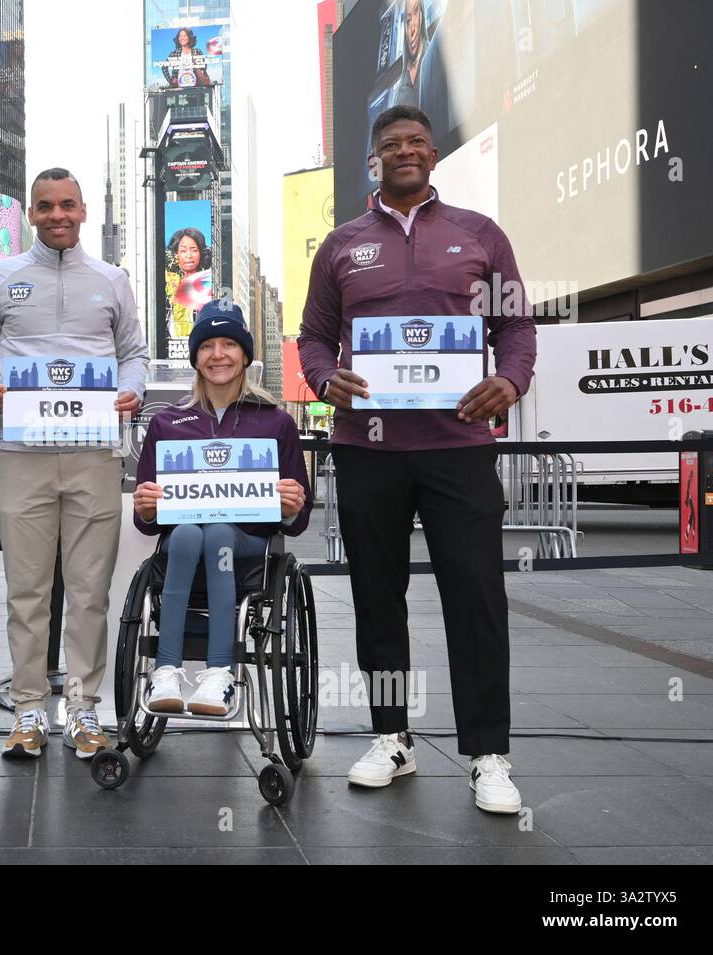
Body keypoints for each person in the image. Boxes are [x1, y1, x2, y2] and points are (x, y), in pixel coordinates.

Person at [296, 105, 537, 813]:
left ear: (433, 156)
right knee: (377, 599)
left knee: (477, 599)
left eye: (416, 143)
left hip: (459, 447)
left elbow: (516, 325)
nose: (404, 152)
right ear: (375, 160)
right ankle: (390, 736)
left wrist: (511, 380)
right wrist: (320, 378)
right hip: (368, 449)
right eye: (391, 145)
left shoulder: (481, 235)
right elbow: (314, 337)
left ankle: (488, 753)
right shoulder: (341, 245)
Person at [0, 167, 148, 760]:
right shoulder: (1, 275)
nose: (57, 215)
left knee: (90, 590)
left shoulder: (113, 279)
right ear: (30, 212)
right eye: (45, 207)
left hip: (94, 452)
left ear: (84, 210)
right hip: (22, 454)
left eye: (68, 204)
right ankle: (26, 710)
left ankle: (84, 709)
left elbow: (134, 354)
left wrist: (132, 392)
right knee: (27, 590)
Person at [133, 304, 311, 712]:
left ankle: (220, 673)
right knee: (190, 532)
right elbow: (147, 522)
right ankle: (165, 673)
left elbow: (298, 520)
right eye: (208, 346)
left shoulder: (276, 422)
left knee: (213, 533)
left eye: (229, 344)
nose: (218, 355)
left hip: (247, 544)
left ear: (245, 355)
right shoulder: (167, 424)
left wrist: (290, 504)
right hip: (185, 541)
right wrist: (146, 508)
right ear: (195, 357)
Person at [165, 226, 212, 340]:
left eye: (194, 250)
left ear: (201, 253)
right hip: (171, 347)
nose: (189, 256)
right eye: (183, 251)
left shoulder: (209, 281)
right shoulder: (168, 281)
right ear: (176, 254)